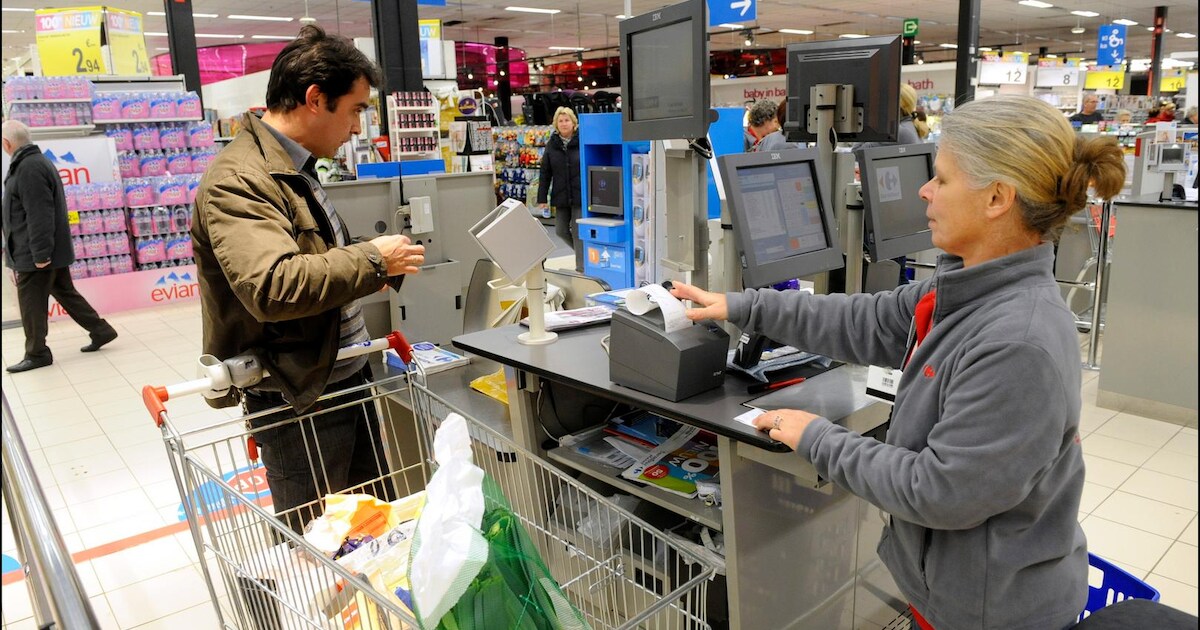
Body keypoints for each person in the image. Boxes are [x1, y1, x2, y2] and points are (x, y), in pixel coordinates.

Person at [670, 95, 1126, 630]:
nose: (924, 192)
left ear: (998, 197)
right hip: (952, 590)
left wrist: (816, 436)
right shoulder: (966, 287)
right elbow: (865, 322)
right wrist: (744, 306)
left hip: (987, 613)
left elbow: (938, 491)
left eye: (943, 180)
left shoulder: (1018, 342)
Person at [190, 25, 426, 533]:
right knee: (318, 551)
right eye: (357, 110)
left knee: (371, 532)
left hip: (339, 378)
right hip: (299, 398)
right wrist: (370, 261)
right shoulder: (238, 180)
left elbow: (311, 253)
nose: (359, 127)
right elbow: (271, 286)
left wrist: (371, 267)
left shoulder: (293, 166)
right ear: (315, 99)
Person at [2, 120, 118, 373]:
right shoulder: (33, 162)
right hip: (45, 250)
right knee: (65, 292)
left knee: (31, 303)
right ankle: (101, 330)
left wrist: (41, 253)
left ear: (7, 143)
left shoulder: (29, 168)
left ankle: (37, 353)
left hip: (36, 253)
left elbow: (39, 214)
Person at [536, 106, 582, 270]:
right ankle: (582, 255)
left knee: (578, 232)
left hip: (580, 196)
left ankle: (581, 268)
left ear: (573, 122)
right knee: (561, 230)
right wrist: (542, 198)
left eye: (567, 120)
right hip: (561, 195)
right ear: (556, 124)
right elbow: (545, 172)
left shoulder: (582, 141)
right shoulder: (552, 145)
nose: (564, 124)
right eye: (560, 121)